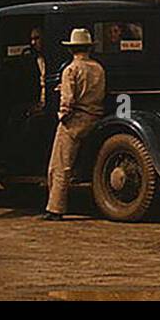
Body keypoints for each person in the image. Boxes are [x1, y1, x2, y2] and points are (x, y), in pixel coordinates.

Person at [43, 28, 107, 221]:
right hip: (95, 117)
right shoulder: (98, 68)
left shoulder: (71, 69)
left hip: (75, 121)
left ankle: (55, 207)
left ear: (72, 49)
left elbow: (68, 99)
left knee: (60, 165)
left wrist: (62, 115)